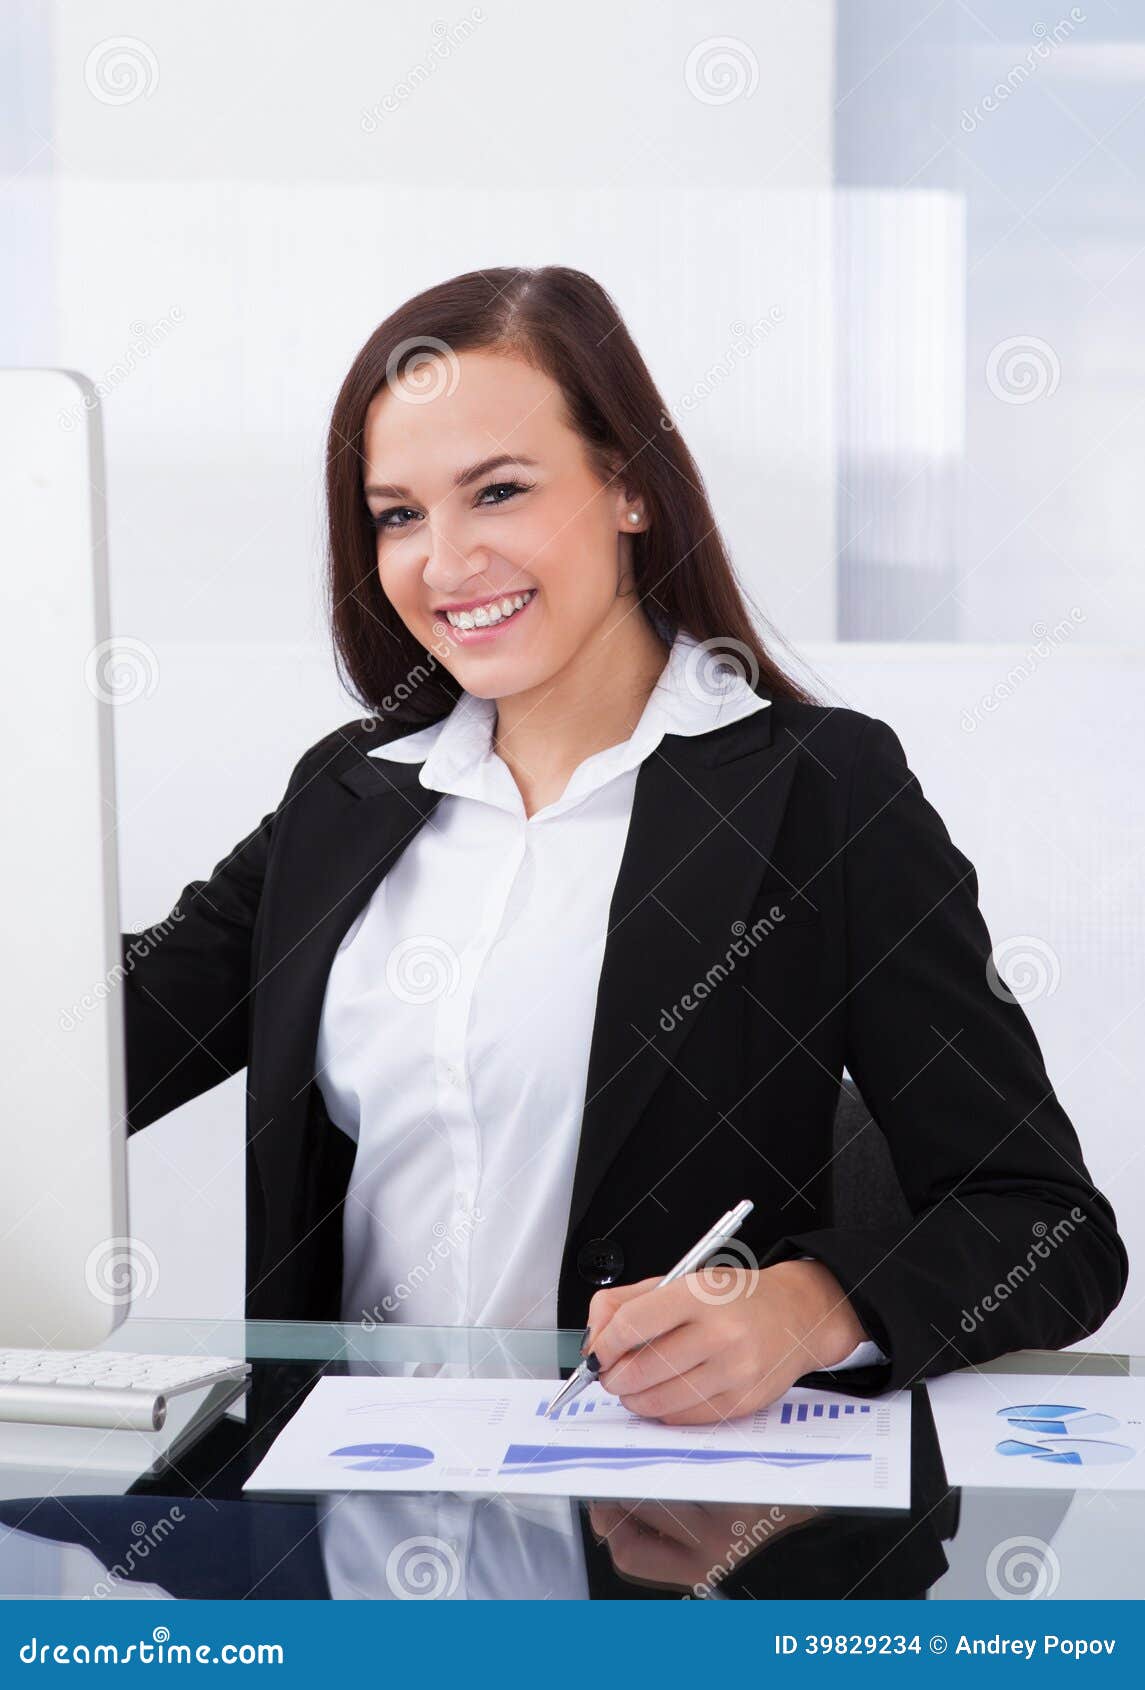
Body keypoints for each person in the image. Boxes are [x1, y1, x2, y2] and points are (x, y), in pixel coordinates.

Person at [123, 265, 1127, 1427]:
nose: (442, 563)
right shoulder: (347, 799)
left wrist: (809, 1306)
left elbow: (1043, 1222)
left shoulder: (817, 792)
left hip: (647, 1541)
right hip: (353, 1527)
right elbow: (95, 1053)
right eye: (397, 514)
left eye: (496, 491)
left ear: (628, 490)